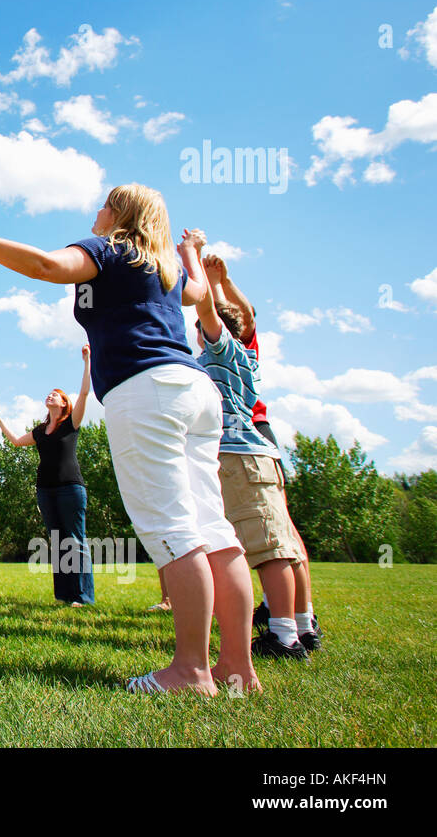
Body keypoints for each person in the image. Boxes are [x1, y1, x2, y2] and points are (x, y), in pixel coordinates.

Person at [0, 186, 258, 696]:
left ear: (121, 214)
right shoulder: (165, 266)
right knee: (213, 527)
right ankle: (237, 669)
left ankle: (191, 671)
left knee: (174, 528)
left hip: (146, 390)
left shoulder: (110, 249)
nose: (96, 211)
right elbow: (200, 292)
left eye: (105, 204)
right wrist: (191, 252)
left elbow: (44, 266)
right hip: (196, 389)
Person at [181, 231, 309, 661]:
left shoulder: (222, 352)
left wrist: (193, 259)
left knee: (269, 548)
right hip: (251, 456)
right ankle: (297, 627)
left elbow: (207, 309)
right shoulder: (245, 355)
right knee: (275, 544)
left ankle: (284, 636)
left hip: (240, 456)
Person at [0, 344, 96, 607]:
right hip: (45, 490)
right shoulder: (40, 431)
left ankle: (83, 596)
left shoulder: (71, 424)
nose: (50, 396)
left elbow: (84, 392)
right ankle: (64, 595)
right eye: (49, 394)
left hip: (70, 489)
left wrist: (87, 361)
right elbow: (15, 441)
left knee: (75, 540)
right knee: (59, 542)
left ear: (64, 404)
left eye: (56, 395)